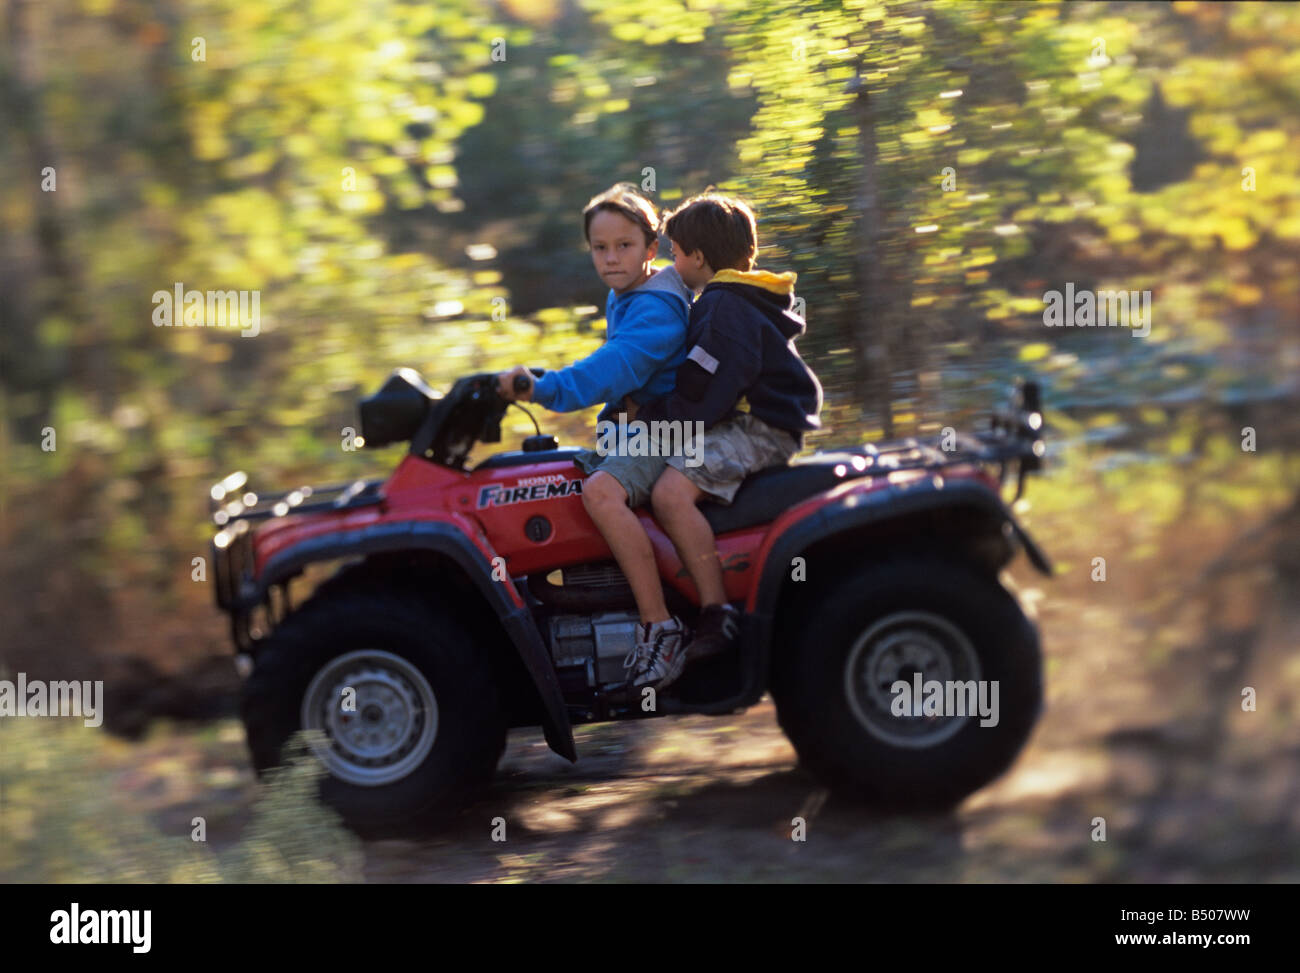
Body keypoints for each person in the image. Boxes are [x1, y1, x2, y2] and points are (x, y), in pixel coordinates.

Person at [622, 191, 824, 690]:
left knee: (670, 493)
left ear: (699, 258)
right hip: (747, 421)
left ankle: (717, 613)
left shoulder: (722, 306)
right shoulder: (738, 296)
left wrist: (645, 416)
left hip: (761, 428)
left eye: (675, 253)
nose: (672, 263)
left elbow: (700, 397)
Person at [497, 183, 696, 677]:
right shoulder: (629, 292)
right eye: (599, 248)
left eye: (624, 246)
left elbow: (611, 370)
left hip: (666, 433)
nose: (610, 258)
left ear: (651, 249)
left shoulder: (655, 309)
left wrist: (542, 388)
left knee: (602, 493)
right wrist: (538, 380)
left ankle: (659, 626)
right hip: (635, 432)